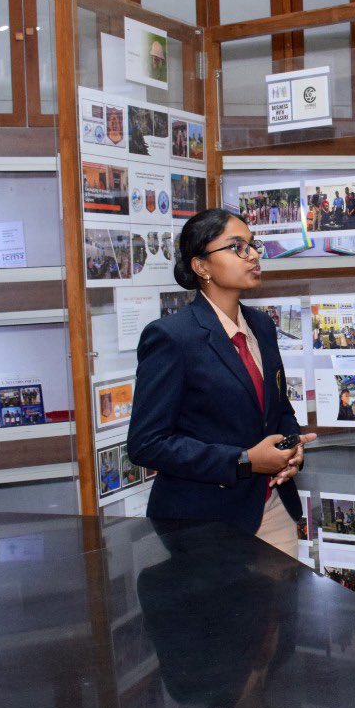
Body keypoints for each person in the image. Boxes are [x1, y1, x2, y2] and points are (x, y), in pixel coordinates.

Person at [128, 208, 315, 557]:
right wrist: (243, 461)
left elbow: (278, 408)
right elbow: (146, 444)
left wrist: (292, 450)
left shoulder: (261, 326)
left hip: (272, 505)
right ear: (202, 266)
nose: (254, 254)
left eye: (253, 245)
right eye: (237, 247)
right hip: (203, 522)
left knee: (282, 610)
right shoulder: (172, 337)